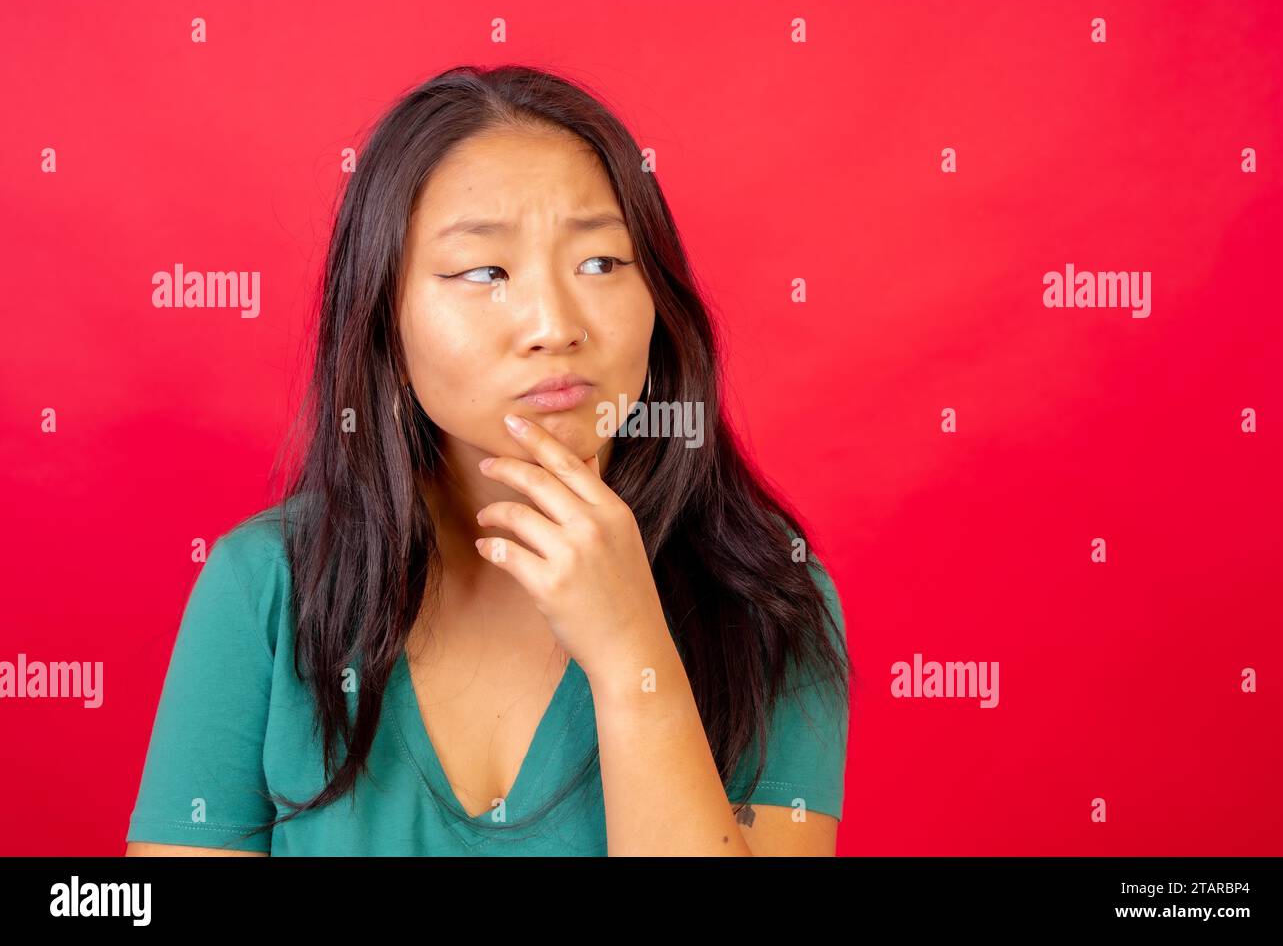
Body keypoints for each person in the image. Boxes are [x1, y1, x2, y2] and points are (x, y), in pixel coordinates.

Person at [125, 64, 853, 856]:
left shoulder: (764, 598)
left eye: (601, 263)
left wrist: (632, 659)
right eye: (485, 272)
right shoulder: (266, 585)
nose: (554, 325)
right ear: (385, 322)